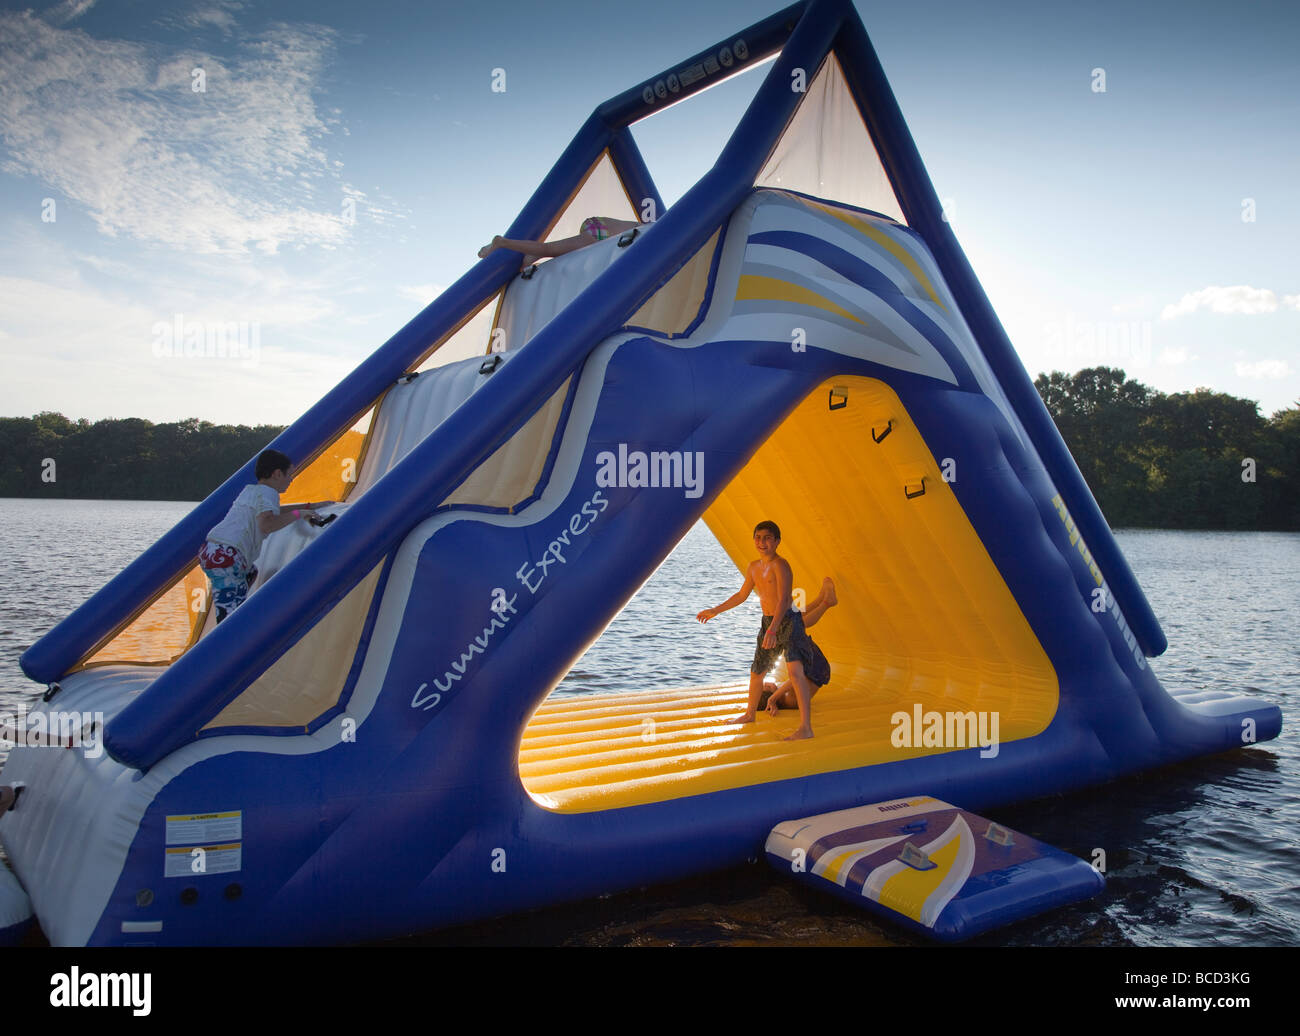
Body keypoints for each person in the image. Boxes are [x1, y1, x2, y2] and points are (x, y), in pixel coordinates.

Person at [696, 520, 831, 740]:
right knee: (757, 671)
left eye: (768, 538)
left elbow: (785, 599)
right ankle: (750, 714)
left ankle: (806, 727)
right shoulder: (753, 567)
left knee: (796, 673)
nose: (762, 542)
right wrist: (715, 610)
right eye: (758, 538)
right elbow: (741, 596)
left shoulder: (781, 565)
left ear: (777, 541)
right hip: (768, 622)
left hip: (787, 621)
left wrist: (774, 630)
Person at [198, 449, 332, 624]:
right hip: (227, 555)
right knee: (229, 619)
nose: (291, 480)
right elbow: (267, 524)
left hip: (211, 551)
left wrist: (310, 506)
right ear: (277, 474)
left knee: (249, 573)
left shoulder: (251, 491)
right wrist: (299, 514)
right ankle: (230, 642)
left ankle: (238, 611)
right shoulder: (269, 493)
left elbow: (274, 512)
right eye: (289, 475)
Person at [760, 576, 837, 715]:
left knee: (791, 622)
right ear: (768, 695)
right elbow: (797, 679)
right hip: (817, 668)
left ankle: (820, 600)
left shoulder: (783, 696)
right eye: (765, 687)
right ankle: (826, 603)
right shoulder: (789, 700)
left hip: (812, 665)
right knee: (794, 629)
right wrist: (773, 698)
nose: (766, 683)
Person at [477, 216, 643, 267]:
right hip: (601, 233)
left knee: (553, 252)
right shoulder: (652, 232)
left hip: (599, 225)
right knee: (549, 249)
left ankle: (532, 255)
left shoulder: (648, 226)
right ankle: (503, 242)